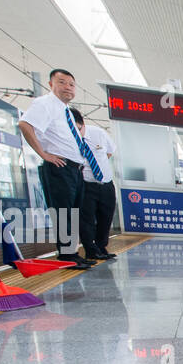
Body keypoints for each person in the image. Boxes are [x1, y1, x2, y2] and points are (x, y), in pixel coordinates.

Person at [18, 68, 94, 269]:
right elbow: (25, 124)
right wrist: (44, 154)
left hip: (73, 169)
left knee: (73, 212)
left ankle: (72, 252)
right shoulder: (45, 104)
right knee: (63, 212)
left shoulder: (65, 110)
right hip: (59, 167)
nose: (67, 87)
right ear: (51, 85)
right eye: (62, 82)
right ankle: (67, 255)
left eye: (71, 84)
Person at [70, 109, 116, 262]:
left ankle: (102, 246)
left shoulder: (98, 133)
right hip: (86, 184)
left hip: (105, 182)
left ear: (83, 124)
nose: (76, 133)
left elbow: (110, 152)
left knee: (106, 216)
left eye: (78, 129)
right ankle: (90, 250)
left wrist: (100, 168)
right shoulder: (68, 139)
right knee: (86, 219)